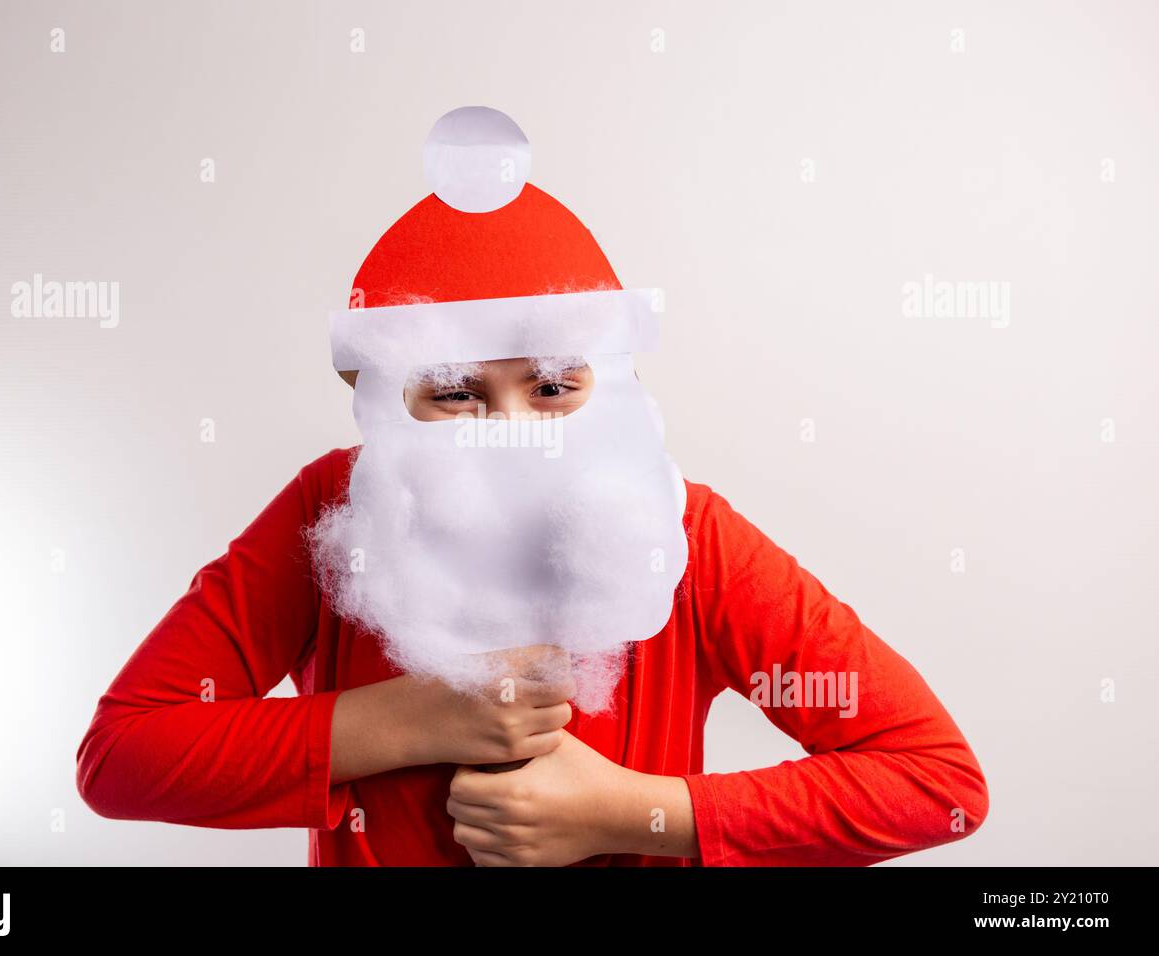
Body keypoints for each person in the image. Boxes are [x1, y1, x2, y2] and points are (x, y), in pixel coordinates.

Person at [75, 109, 989, 867]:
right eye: (456, 393)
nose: (511, 427)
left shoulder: (684, 537)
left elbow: (934, 780)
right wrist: (404, 720)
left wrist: (637, 812)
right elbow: (123, 757)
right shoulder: (333, 511)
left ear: (611, 381)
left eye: (553, 386)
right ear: (384, 398)